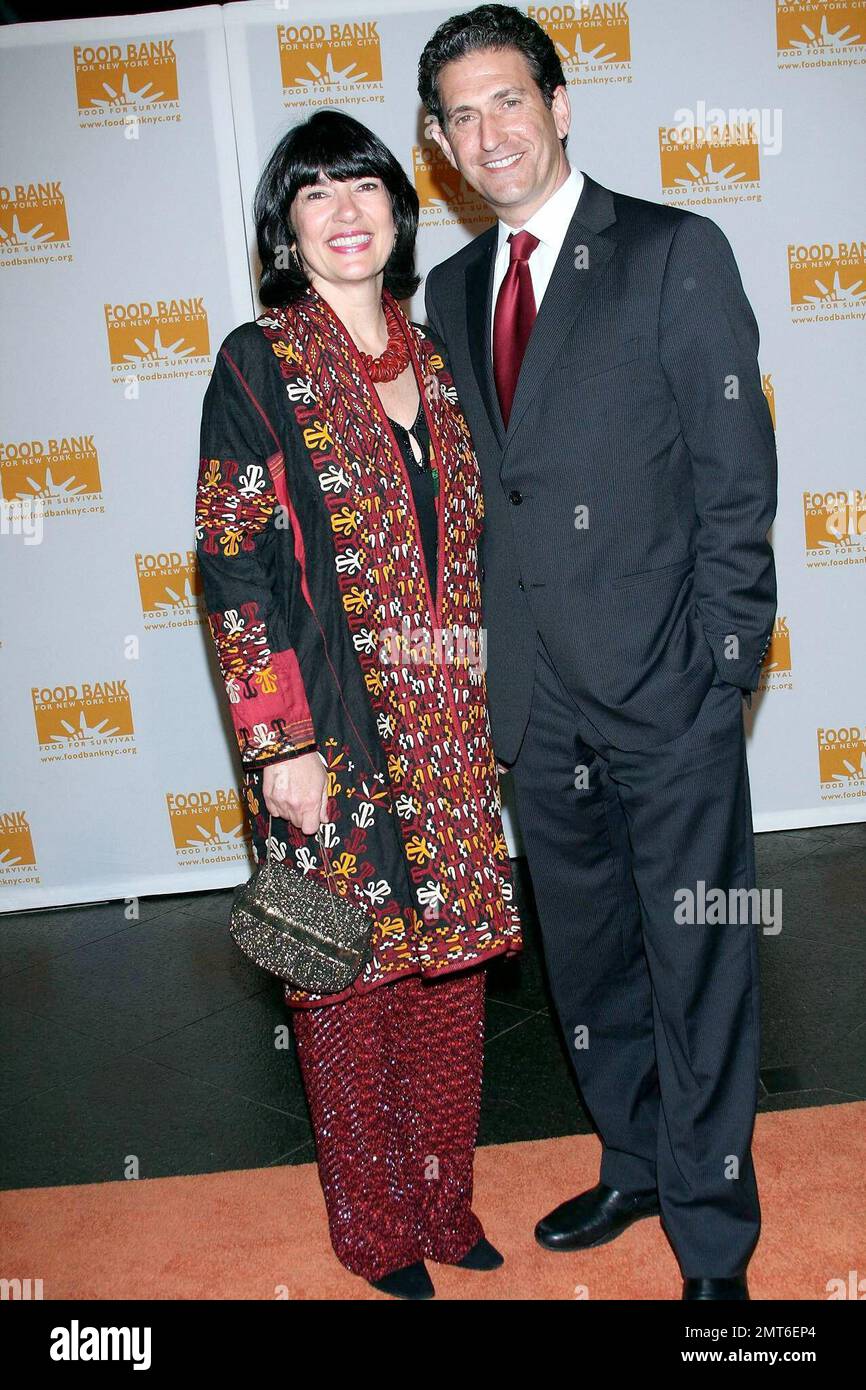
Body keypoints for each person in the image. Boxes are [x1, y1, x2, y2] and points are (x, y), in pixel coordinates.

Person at [418, 4, 777, 1301]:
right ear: (438, 143)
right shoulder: (450, 289)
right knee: (588, 958)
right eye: (460, 114)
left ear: (559, 106)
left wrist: (720, 674)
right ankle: (631, 1156)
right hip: (533, 703)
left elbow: (734, 484)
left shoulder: (673, 252)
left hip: (666, 690)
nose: (487, 131)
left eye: (506, 99)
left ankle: (713, 1238)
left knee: (699, 957)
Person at [194, 108, 522, 1300]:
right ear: (286, 228)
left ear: (399, 206)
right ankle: (374, 1230)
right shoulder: (256, 359)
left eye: (365, 187)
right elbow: (229, 564)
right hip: (322, 735)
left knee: (447, 983)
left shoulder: (436, 361)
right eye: (314, 193)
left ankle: (444, 1201)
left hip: (443, 730)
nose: (344, 212)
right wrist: (274, 740)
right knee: (339, 986)